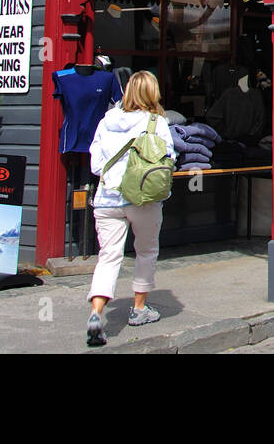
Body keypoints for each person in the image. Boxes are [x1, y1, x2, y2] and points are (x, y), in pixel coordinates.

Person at [85, 70, 177, 347]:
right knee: (146, 251)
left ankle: (96, 312)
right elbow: (169, 158)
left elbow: (95, 164)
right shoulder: (157, 122)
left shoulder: (106, 121)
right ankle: (139, 310)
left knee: (108, 256)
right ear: (153, 93)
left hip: (107, 198)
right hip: (143, 199)